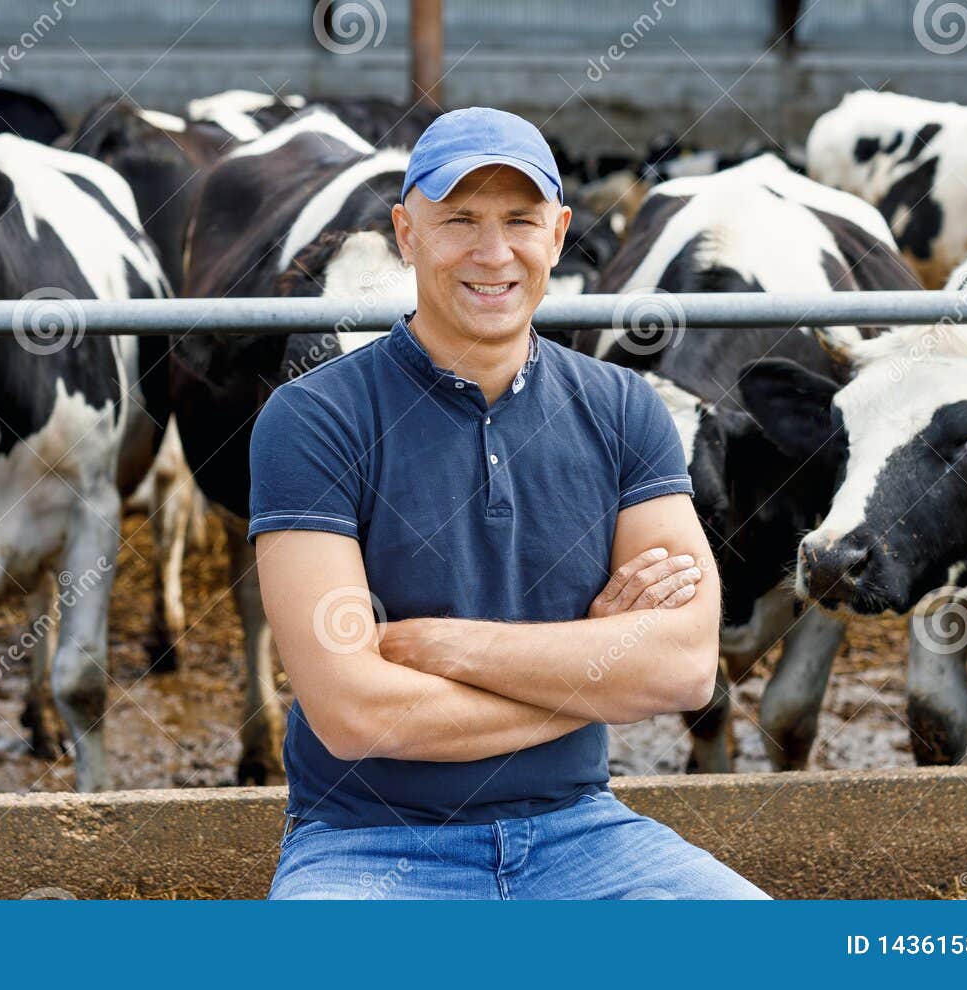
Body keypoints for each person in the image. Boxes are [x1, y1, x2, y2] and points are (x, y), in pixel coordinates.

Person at [248, 106, 767, 899]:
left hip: (584, 833)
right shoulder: (313, 417)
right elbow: (354, 713)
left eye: (520, 220)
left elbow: (688, 667)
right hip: (370, 848)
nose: (493, 253)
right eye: (459, 219)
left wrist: (447, 647)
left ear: (558, 233)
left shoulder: (624, 407)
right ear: (406, 232)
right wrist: (594, 669)